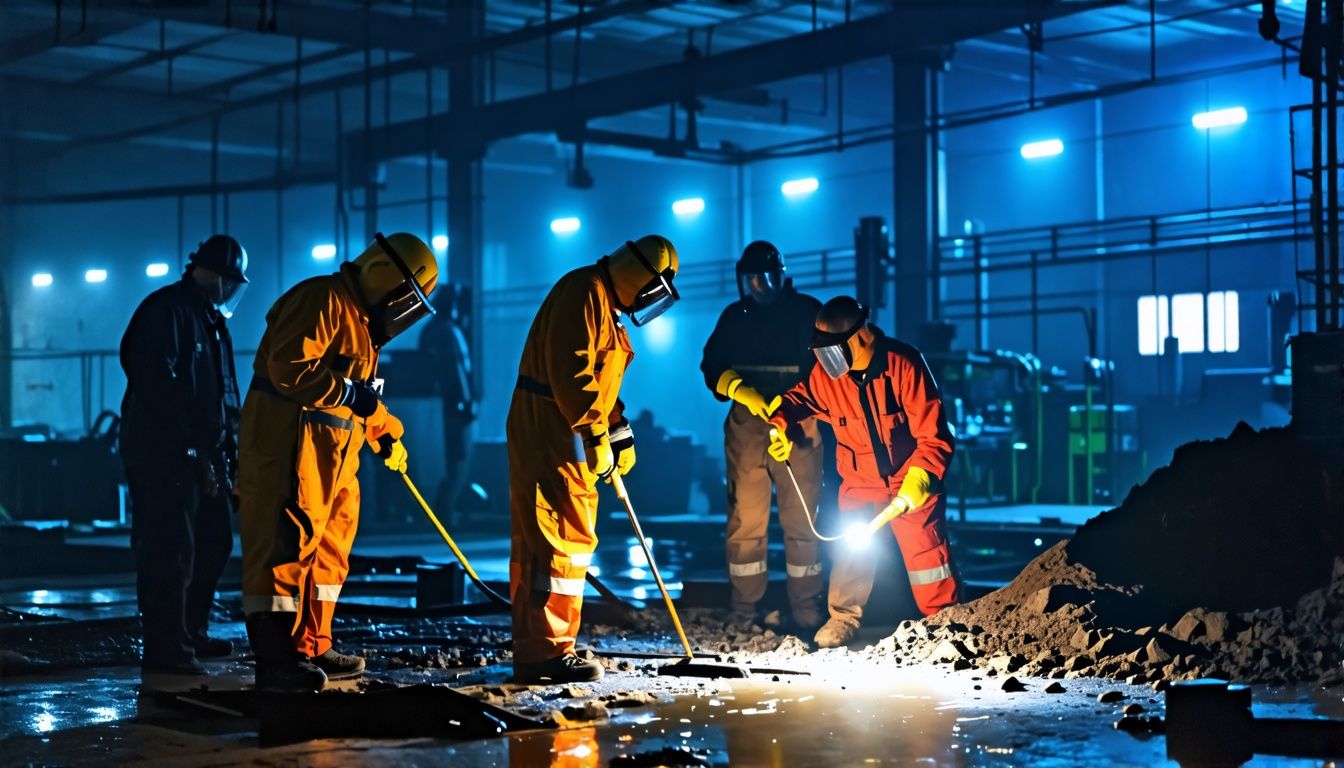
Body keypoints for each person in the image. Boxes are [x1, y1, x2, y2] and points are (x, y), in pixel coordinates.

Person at [237, 232, 437, 691]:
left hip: (333, 463)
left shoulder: (361, 325)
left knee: (328, 555)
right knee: (286, 553)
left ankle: (312, 644)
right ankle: (278, 660)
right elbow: (291, 369)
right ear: (386, 279)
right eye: (407, 299)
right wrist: (353, 398)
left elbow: (358, 401)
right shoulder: (323, 299)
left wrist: (387, 433)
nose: (404, 312)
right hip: (292, 452)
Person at [508, 235, 680, 684]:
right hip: (551, 432)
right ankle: (543, 654)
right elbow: (572, 370)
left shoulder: (605, 306)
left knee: (570, 539)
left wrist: (617, 430)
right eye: (652, 290)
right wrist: (591, 428)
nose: (649, 301)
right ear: (638, 278)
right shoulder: (584, 293)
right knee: (555, 540)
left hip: (567, 432)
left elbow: (600, 386)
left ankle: (554, 645)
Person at [767, 295, 960, 648]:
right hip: (859, 481)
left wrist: (921, 478)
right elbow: (797, 399)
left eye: (831, 350)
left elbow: (935, 436)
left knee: (927, 557)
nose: (826, 360)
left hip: (910, 479)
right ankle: (842, 618)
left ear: (858, 337)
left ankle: (945, 623)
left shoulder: (905, 364)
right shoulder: (828, 377)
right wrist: (780, 426)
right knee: (851, 554)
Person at [119, 235, 248, 675]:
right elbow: (159, 390)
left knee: (214, 544)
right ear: (210, 273)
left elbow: (221, 397)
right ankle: (167, 649)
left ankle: (189, 634)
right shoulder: (167, 311)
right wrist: (191, 450)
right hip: (165, 456)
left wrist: (224, 456)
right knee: (170, 550)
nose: (231, 292)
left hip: (202, 456)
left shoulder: (211, 322)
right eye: (229, 281)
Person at [699, 241, 825, 629]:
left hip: (801, 420)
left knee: (802, 518)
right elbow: (711, 367)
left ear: (781, 274)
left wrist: (793, 411)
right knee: (745, 520)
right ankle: (745, 609)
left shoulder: (807, 313)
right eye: (750, 278)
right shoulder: (735, 317)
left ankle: (807, 608)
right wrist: (742, 391)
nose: (757, 284)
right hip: (747, 424)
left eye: (764, 276)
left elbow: (829, 368)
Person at [419, 283, 478, 521]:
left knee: (453, 462)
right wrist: (466, 404)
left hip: (445, 407)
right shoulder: (448, 331)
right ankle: (444, 514)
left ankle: (442, 512)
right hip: (454, 408)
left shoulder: (433, 330)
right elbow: (458, 372)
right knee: (457, 463)